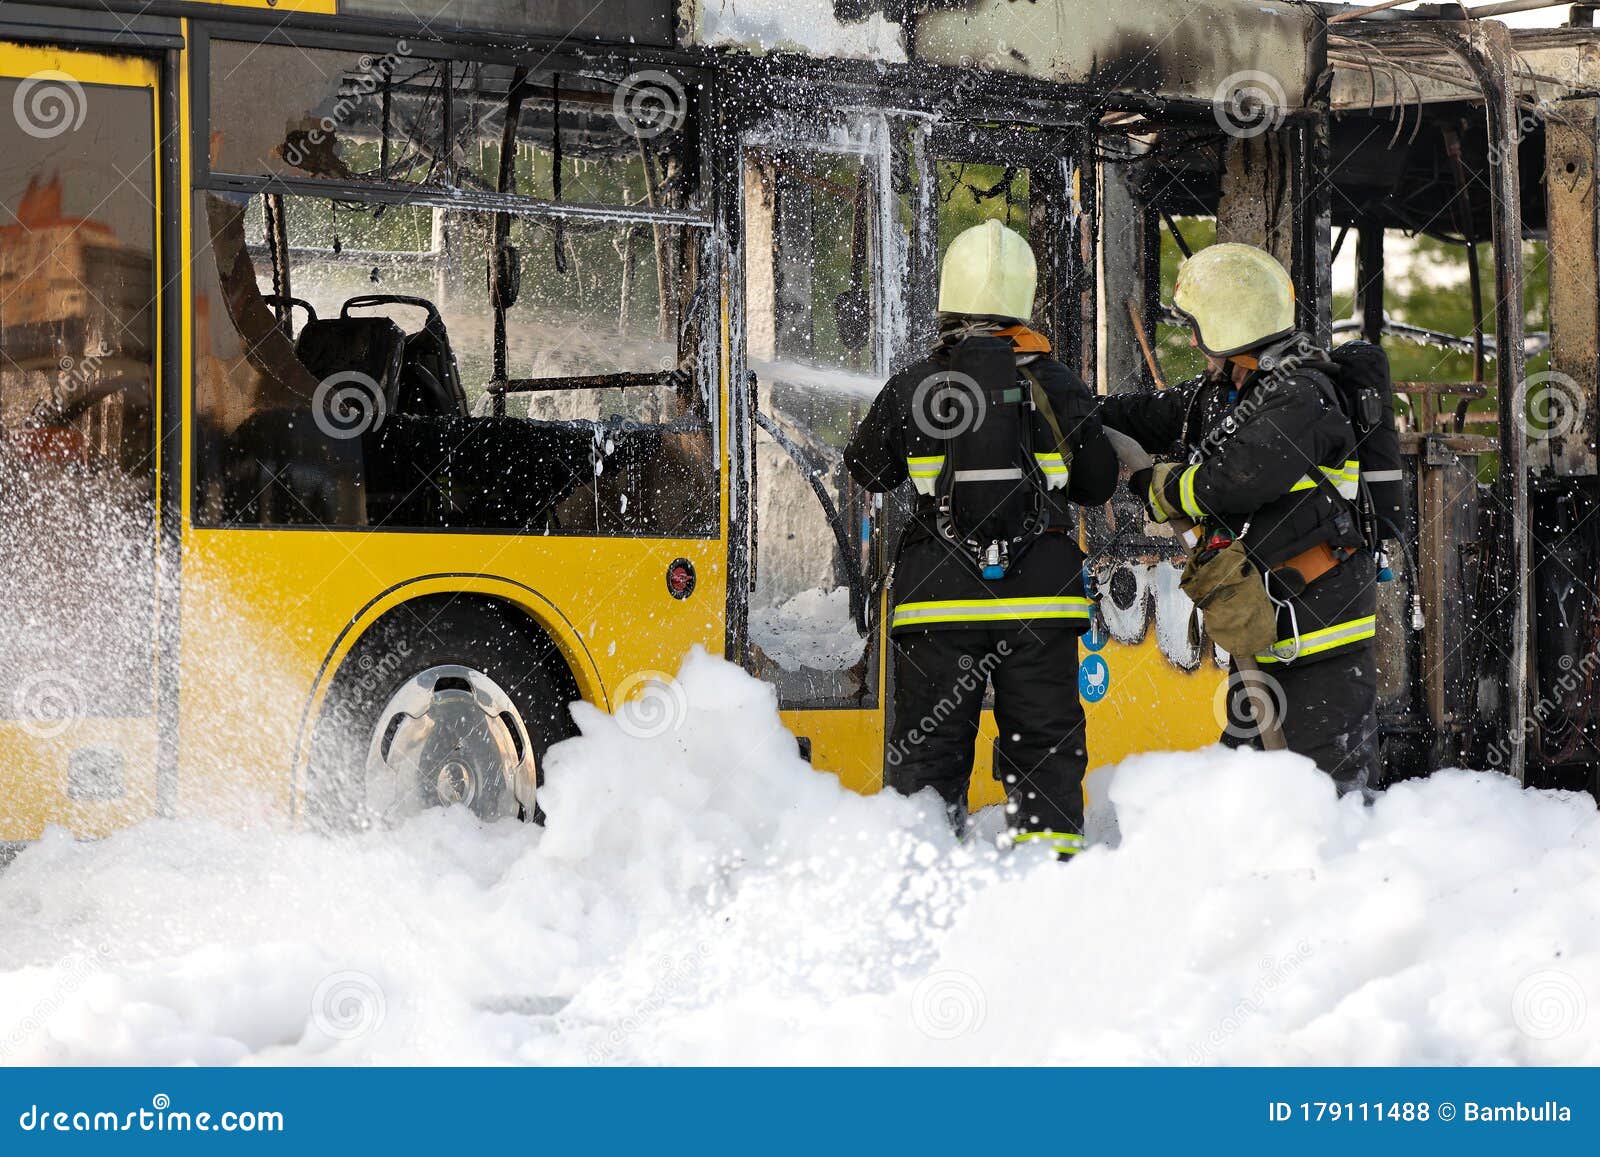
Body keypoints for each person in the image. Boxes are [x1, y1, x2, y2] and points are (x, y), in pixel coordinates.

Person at [845, 220, 1117, 858]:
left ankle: (925, 881)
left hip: (936, 606)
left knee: (928, 760)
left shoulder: (915, 384)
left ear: (949, 298)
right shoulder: (1057, 384)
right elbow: (1099, 482)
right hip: (1040, 609)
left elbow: (864, 469)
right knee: (1045, 750)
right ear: (1022, 299)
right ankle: (1048, 871)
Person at [1100, 242, 1378, 794]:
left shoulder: (1301, 393)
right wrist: (1073, 409)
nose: (1192, 341)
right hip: (1266, 621)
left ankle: (1346, 874)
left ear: (1225, 331)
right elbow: (1144, 416)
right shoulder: (1226, 391)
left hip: (1318, 627)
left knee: (1326, 786)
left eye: (1196, 328)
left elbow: (1237, 477)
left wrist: (1155, 486)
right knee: (1253, 779)